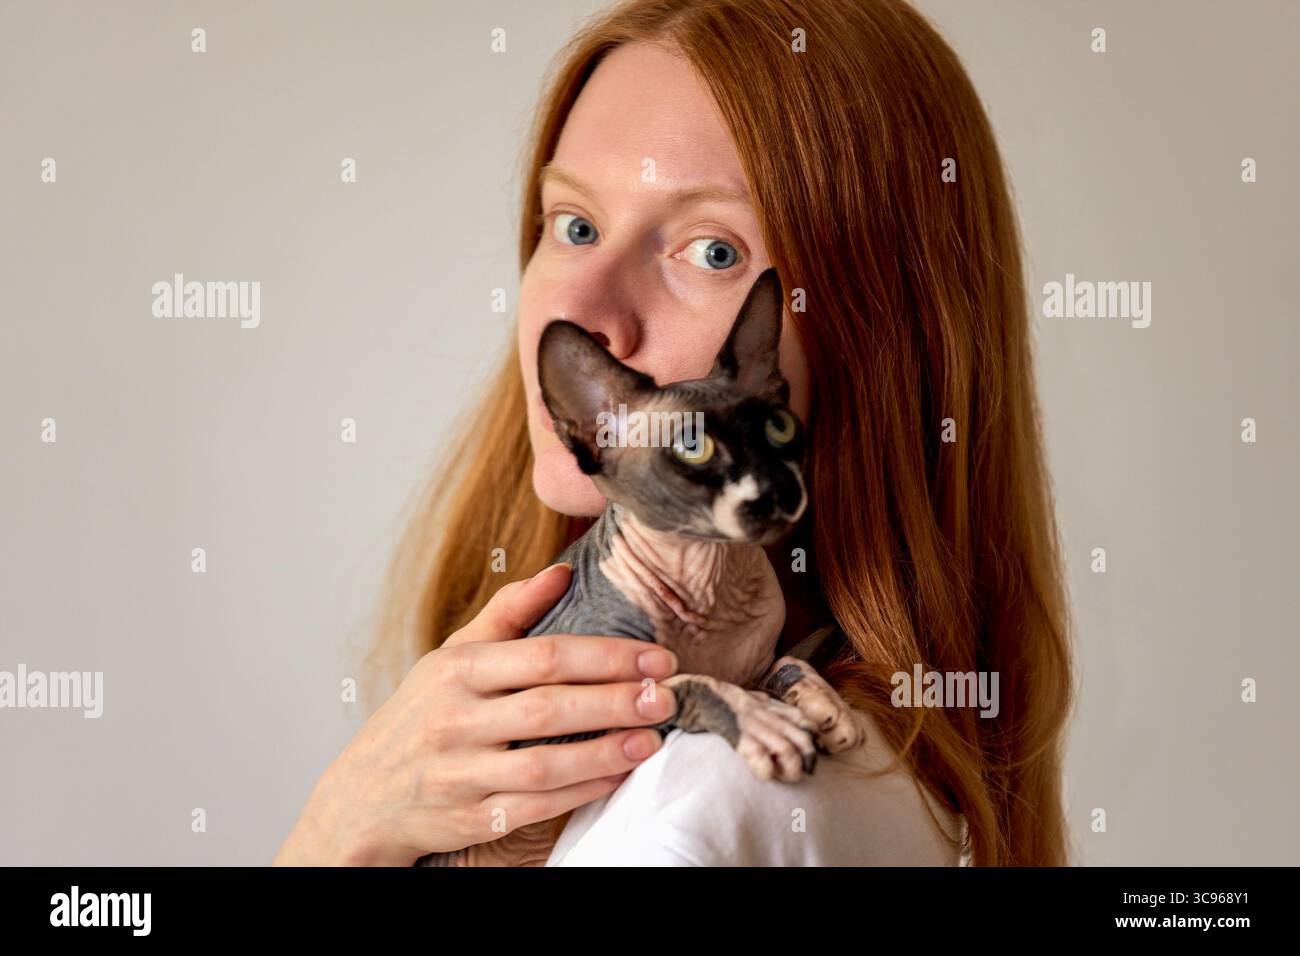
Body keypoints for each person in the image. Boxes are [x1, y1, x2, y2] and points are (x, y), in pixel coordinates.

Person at [273, 0, 1074, 867]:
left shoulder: (707, 803)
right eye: (575, 226)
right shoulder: (880, 756)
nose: (582, 309)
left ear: (884, 338)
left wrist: (333, 839)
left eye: (713, 250)